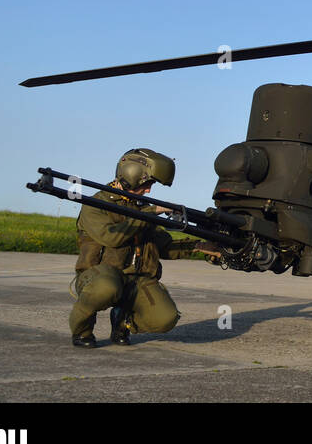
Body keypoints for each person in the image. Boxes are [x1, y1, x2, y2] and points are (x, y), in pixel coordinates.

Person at [69, 148, 216, 348]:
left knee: (165, 318)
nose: (148, 190)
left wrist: (201, 247)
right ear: (132, 175)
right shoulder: (96, 204)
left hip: (135, 280)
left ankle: (123, 321)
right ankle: (82, 331)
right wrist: (150, 212)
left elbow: (165, 247)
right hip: (98, 276)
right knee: (106, 287)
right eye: (147, 184)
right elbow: (111, 237)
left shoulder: (142, 207)